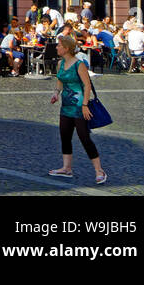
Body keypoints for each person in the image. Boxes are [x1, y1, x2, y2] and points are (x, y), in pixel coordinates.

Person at [48, 33, 106, 184]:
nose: (57, 47)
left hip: (79, 105)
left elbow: (87, 85)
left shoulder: (79, 65)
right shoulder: (60, 64)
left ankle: (99, 171)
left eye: (59, 45)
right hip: (66, 106)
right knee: (65, 136)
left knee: (84, 138)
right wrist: (56, 93)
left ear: (66, 48)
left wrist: (85, 105)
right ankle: (67, 168)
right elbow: (60, 81)